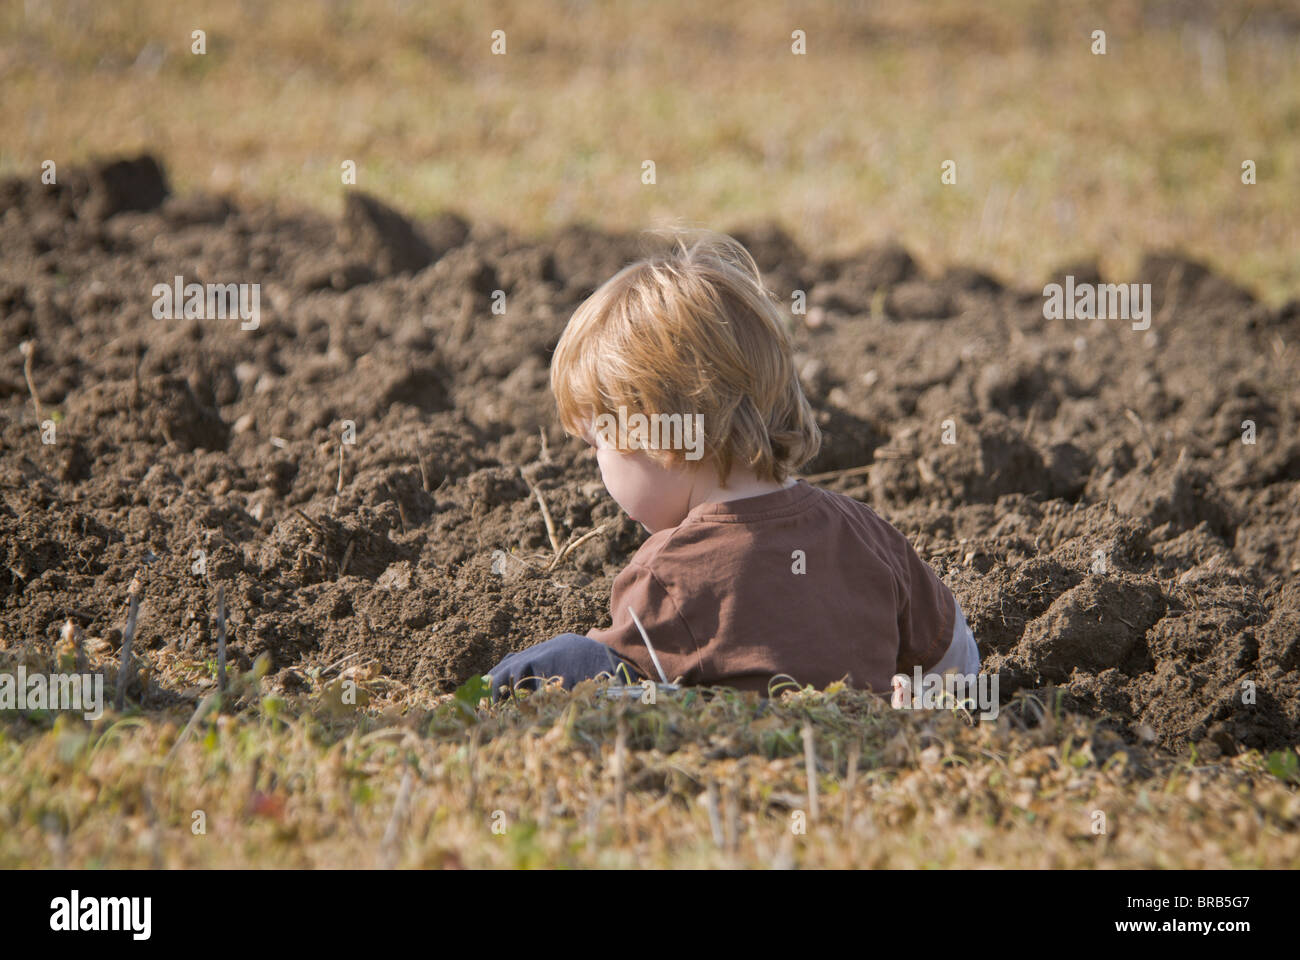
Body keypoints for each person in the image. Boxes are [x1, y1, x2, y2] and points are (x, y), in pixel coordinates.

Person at [486, 229, 978, 702]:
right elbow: (959, 662)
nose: (597, 468)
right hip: (858, 752)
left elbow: (618, 696)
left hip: (726, 759)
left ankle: (460, 709)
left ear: (658, 434)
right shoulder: (868, 535)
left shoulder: (665, 577)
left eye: (598, 444)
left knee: (569, 660)